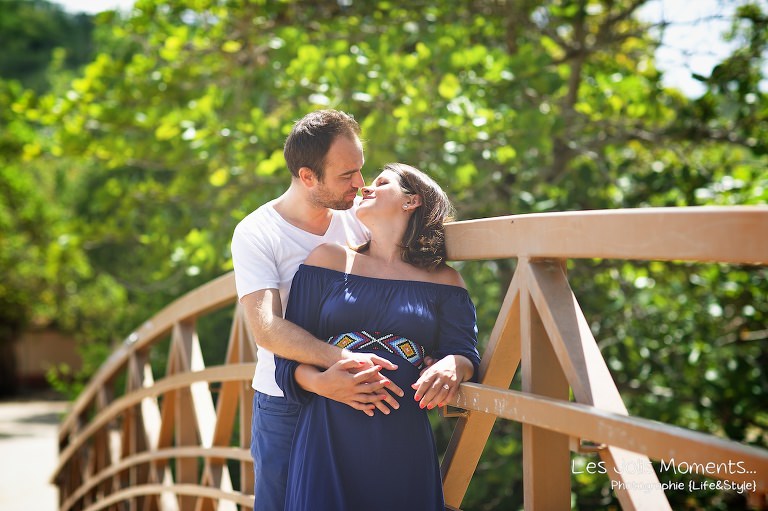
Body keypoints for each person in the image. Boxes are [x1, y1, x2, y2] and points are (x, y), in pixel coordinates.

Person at [275, 162, 481, 511]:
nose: (365, 188)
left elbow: (464, 353)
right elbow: (288, 357)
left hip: (402, 438)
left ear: (411, 201)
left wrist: (452, 366)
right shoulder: (327, 261)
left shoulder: (445, 281)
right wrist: (323, 384)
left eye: (382, 183)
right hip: (328, 432)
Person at [231, 110, 405, 511]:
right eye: (346, 176)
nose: (360, 185)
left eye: (360, 170)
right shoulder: (257, 233)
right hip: (287, 403)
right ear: (307, 176)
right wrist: (343, 360)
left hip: (363, 393)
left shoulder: (360, 220)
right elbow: (267, 329)